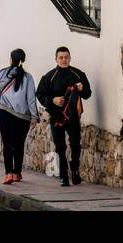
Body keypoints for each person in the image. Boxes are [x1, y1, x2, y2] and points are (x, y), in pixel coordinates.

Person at [36, 46, 92, 186]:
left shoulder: (78, 74)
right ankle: (63, 175)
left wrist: (82, 88)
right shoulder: (49, 77)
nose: (63, 60)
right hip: (56, 117)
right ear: (56, 59)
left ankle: (75, 170)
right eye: (60, 57)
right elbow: (40, 94)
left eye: (66, 57)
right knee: (60, 146)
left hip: (73, 117)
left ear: (70, 58)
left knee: (75, 145)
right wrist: (53, 101)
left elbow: (88, 94)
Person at [0, 48, 39, 184]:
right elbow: (31, 99)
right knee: (19, 144)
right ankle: (17, 173)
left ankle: (8, 174)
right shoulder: (28, 77)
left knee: (7, 143)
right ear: (23, 60)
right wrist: (34, 117)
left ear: (11, 59)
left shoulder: (2, 73)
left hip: (4, 112)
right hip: (22, 117)